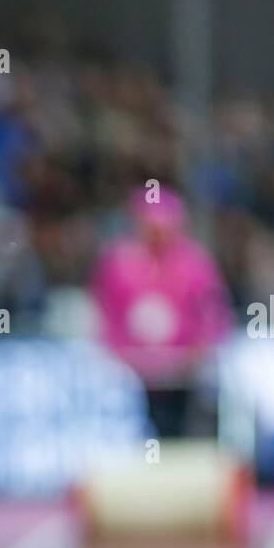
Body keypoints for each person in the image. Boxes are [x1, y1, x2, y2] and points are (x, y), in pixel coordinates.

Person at [90, 187, 233, 437]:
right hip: (130, 379)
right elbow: (105, 317)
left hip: (183, 379)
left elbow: (213, 315)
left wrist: (197, 352)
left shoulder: (195, 264)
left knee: (181, 436)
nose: (157, 234)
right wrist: (120, 357)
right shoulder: (119, 264)